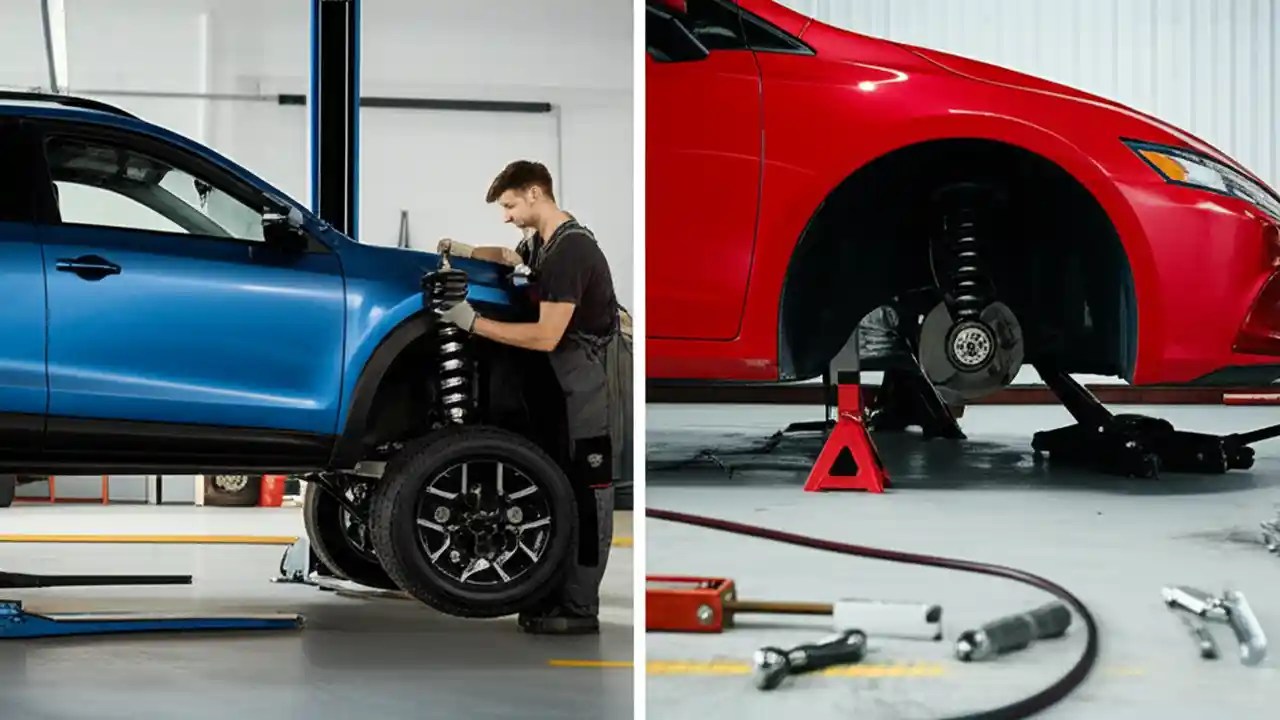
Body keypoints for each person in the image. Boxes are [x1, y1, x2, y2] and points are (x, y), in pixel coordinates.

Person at [435, 160, 621, 635]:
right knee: (559, 489)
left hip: (589, 387)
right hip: (564, 388)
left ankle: (581, 609)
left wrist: (472, 322)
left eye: (511, 205)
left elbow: (546, 337)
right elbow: (508, 256)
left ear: (536, 193)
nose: (507, 215)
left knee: (588, 495)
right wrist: (460, 250)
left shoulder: (570, 252)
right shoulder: (542, 243)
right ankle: (556, 595)